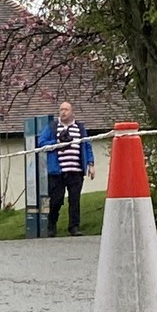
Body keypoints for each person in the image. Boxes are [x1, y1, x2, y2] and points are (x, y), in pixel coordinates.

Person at [40, 100, 94, 234]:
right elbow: (41, 143)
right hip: (57, 172)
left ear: (72, 112)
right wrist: (57, 142)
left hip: (75, 170)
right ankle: (52, 224)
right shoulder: (52, 127)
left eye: (66, 109)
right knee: (56, 201)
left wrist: (91, 164)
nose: (63, 112)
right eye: (61, 110)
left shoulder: (80, 128)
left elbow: (87, 146)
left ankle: (74, 227)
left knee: (74, 200)